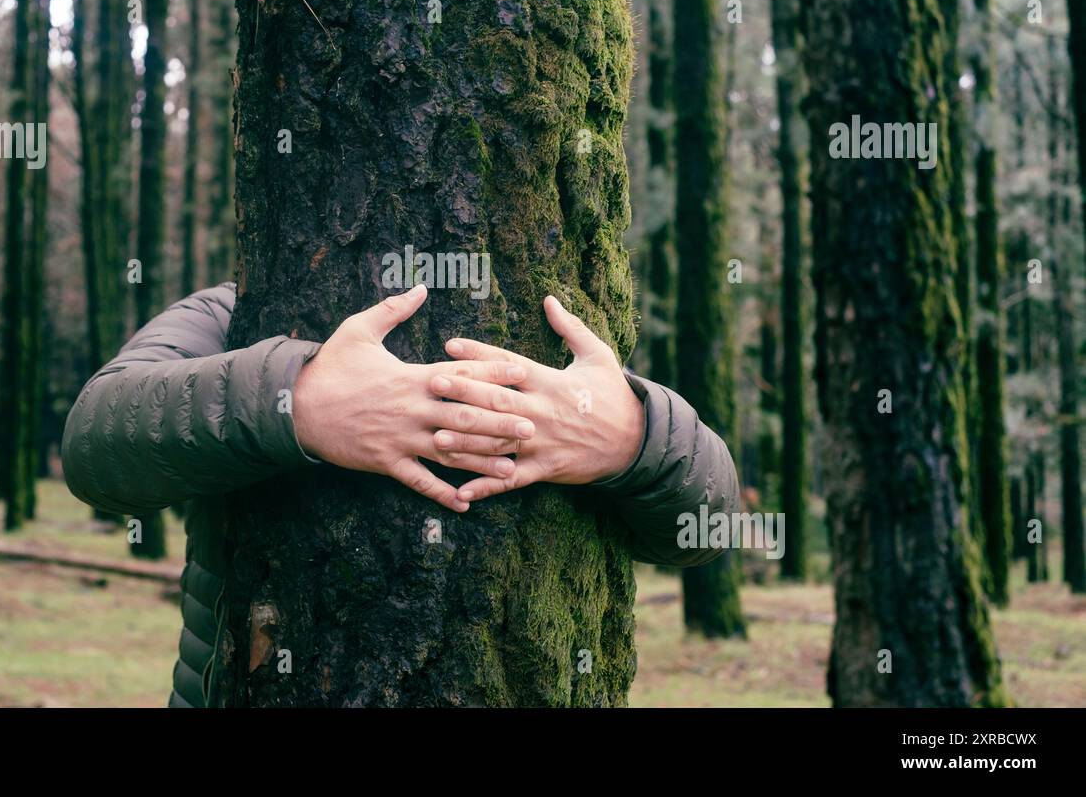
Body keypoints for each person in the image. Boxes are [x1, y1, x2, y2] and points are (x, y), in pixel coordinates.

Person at [62, 282, 739, 707]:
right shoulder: (239, 311)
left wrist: (634, 436)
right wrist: (295, 402)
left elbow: (713, 526)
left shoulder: (565, 328)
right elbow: (95, 445)